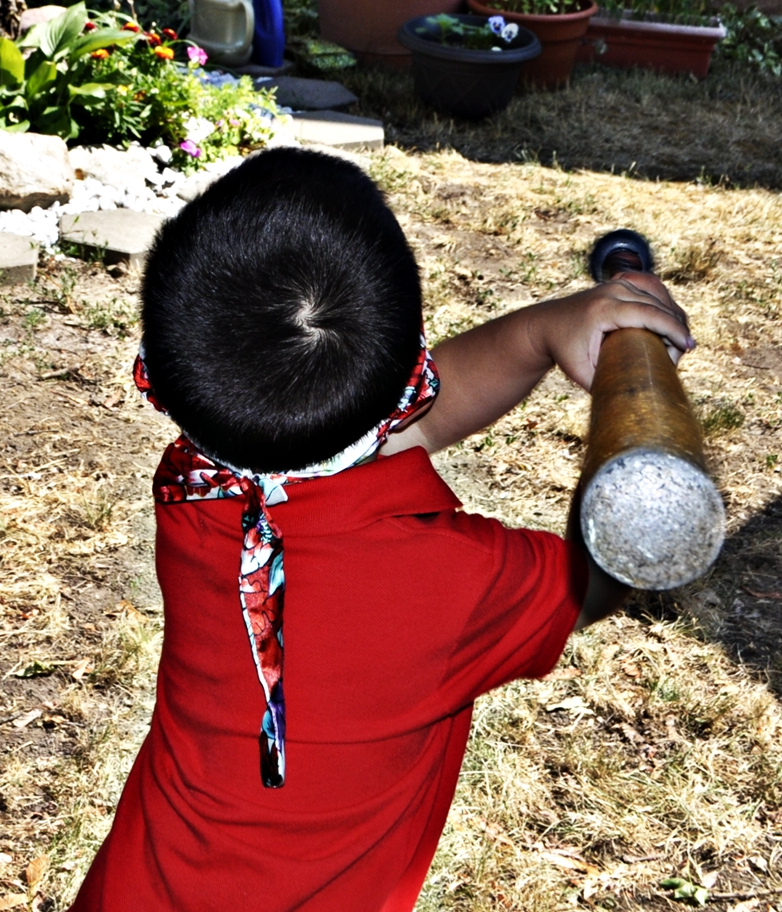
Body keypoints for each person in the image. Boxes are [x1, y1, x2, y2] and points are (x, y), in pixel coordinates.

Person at [71, 146, 694, 912]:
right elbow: (611, 564)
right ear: (405, 382)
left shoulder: (197, 487)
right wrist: (642, 457)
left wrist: (545, 331)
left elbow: (390, 427)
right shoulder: (454, 582)